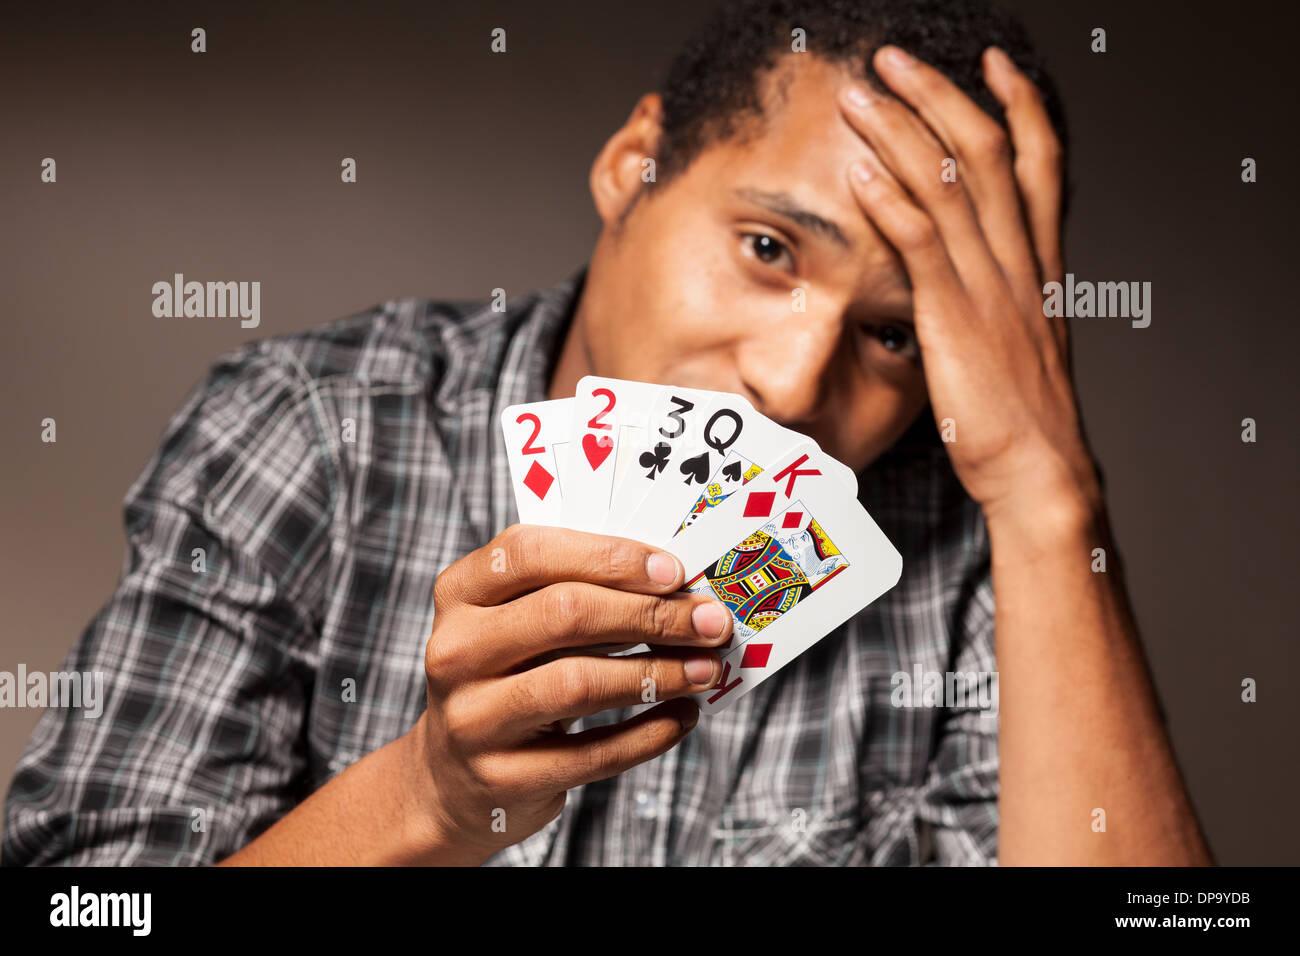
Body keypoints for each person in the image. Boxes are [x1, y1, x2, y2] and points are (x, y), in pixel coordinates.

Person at [3, 0, 1211, 866]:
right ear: (634, 164)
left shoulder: (981, 538)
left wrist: (1051, 495)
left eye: (894, 334)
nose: (792, 386)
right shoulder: (313, 430)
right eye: (769, 250)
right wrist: (427, 795)